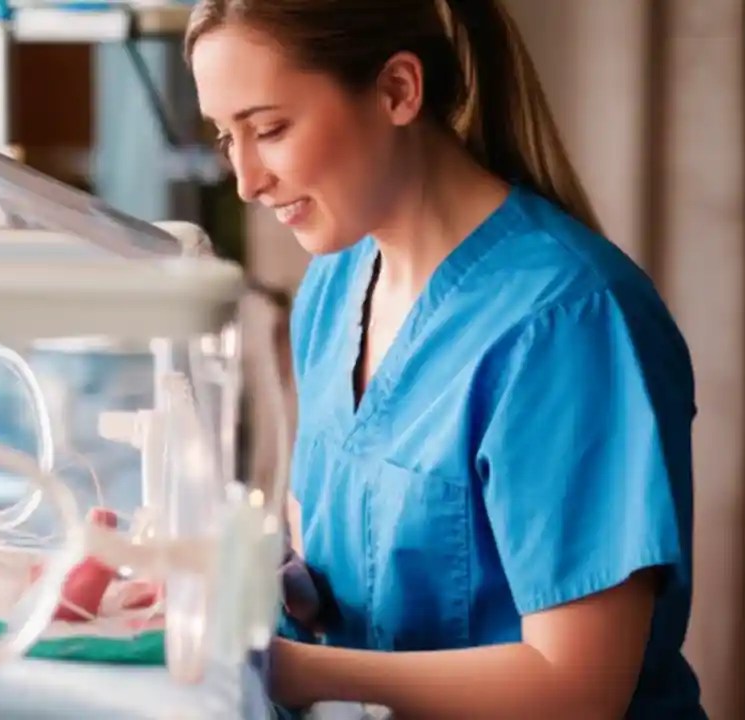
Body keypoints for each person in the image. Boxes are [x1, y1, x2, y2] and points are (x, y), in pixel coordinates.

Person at [185, 1, 707, 718]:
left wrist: (290, 670)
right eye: (225, 139)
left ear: (398, 90)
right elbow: (341, 543)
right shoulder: (335, 285)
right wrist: (251, 585)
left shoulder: (565, 324)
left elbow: (578, 689)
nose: (246, 180)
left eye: (270, 129)